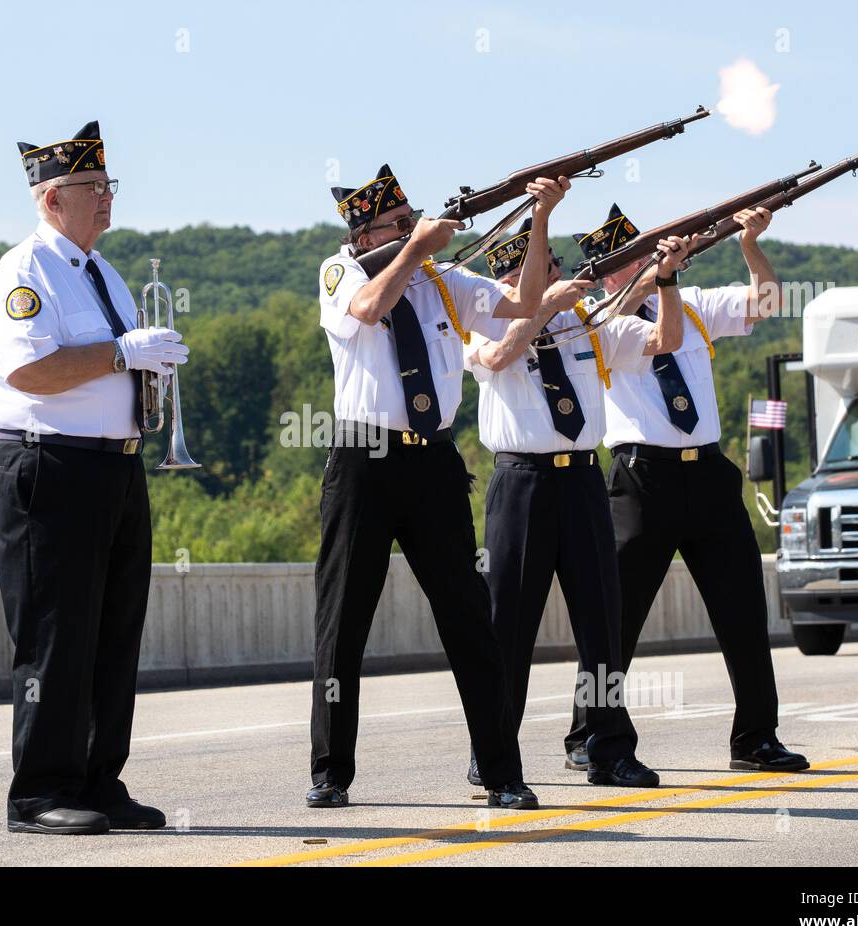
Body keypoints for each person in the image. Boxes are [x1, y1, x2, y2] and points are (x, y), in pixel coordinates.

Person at [308, 164, 568, 810]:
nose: (410, 230)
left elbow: (524, 303)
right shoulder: (340, 271)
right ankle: (330, 771)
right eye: (397, 226)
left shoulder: (445, 283)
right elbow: (369, 309)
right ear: (364, 232)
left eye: (411, 221)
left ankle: (502, 770)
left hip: (435, 462)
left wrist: (539, 220)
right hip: (363, 459)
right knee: (343, 622)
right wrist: (417, 247)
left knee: (469, 619)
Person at [0, 120, 189, 834]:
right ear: (50, 200)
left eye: (108, 186)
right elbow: (28, 369)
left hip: (116, 467)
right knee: (55, 635)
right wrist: (119, 354)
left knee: (112, 633)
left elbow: (118, 360)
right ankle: (39, 792)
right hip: (52, 466)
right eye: (89, 187)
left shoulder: (103, 272)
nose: (106, 199)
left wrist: (147, 362)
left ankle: (101, 779)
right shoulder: (25, 271)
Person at [561, 203, 810, 773]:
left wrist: (749, 243)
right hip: (641, 475)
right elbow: (615, 316)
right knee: (616, 616)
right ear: (609, 270)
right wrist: (658, 273)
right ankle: (588, 732)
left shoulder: (690, 306)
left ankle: (755, 737)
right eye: (636, 258)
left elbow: (766, 302)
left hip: (707, 472)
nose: (650, 263)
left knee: (743, 608)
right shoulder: (593, 314)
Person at [464, 222, 695, 787]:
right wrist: (538, 309)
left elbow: (665, 341)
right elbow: (497, 359)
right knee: (508, 625)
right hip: (522, 481)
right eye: (521, 277)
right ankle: (493, 751)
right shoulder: (483, 323)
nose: (541, 282)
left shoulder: (588, 324)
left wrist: (664, 282)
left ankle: (609, 746)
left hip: (584, 480)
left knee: (602, 623)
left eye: (546, 271)